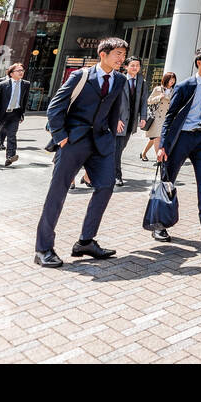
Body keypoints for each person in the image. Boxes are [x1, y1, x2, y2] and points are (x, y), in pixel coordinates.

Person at [33, 38, 129, 268]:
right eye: (117, 53)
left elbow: (115, 110)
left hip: (101, 143)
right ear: (102, 54)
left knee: (106, 186)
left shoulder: (120, 79)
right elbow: (55, 106)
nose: (121, 58)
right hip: (74, 141)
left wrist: (112, 137)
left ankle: (85, 241)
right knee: (58, 191)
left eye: (124, 54)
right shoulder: (81, 76)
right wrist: (61, 137)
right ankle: (43, 248)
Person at [150, 45, 201, 246]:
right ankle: (159, 226)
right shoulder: (184, 86)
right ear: (199, 63)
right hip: (181, 138)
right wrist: (163, 146)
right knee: (168, 181)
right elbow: (169, 117)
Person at [0, 62, 29, 167]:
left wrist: (22, 114)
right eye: (18, 71)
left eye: (22, 70)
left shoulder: (26, 84)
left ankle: (10, 157)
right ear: (11, 73)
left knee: (12, 136)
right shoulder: (2, 84)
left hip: (15, 114)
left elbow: (25, 100)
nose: (21, 72)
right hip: (0, 114)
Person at [115, 56, 149, 187]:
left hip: (131, 122)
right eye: (132, 65)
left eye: (137, 65)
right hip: (119, 121)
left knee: (121, 148)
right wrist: (116, 119)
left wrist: (143, 117)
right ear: (126, 67)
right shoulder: (119, 79)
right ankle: (117, 176)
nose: (135, 68)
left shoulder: (142, 81)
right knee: (117, 150)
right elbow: (113, 102)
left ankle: (90, 174)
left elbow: (144, 101)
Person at [139, 71, 176, 161]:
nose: (172, 81)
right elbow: (149, 101)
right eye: (170, 79)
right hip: (157, 117)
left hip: (167, 118)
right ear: (166, 79)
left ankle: (143, 153)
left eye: (174, 79)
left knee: (154, 138)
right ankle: (159, 159)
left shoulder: (174, 91)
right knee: (157, 137)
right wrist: (159, 97)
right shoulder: (158, 89)